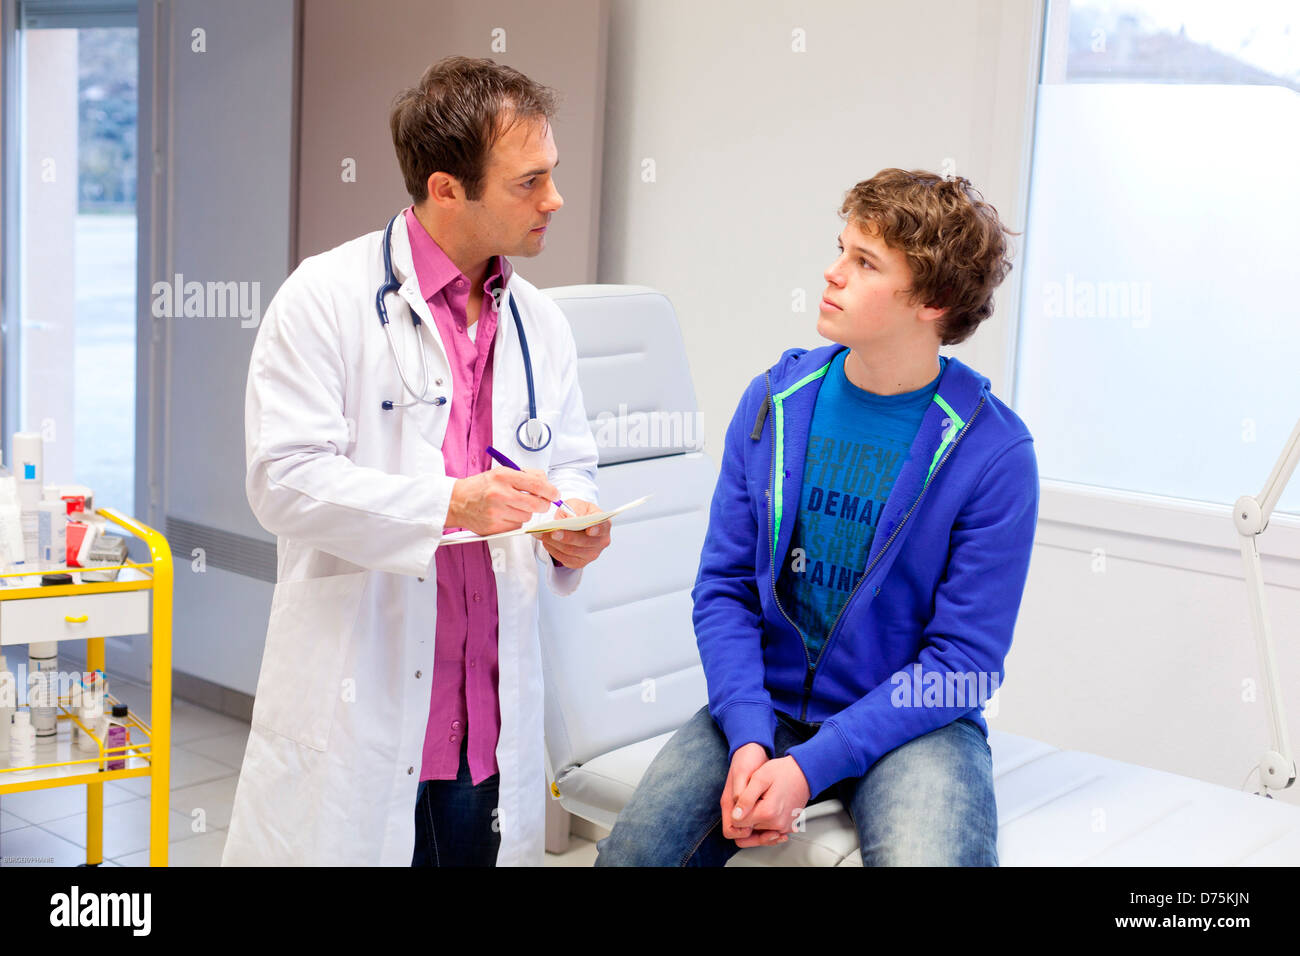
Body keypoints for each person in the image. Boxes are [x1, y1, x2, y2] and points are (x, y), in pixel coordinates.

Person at [222, 56, 611, 867]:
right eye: (529, 182)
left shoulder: (540, 321)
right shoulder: (324, 298)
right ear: (445, 189)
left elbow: (569, 460)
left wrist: (574, 519)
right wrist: (448, 504)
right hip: (368, 705)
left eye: (555, 175)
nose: (555, 201)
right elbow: (283, 480)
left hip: (488, 728)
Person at [595, 168, 1038, 867]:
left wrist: (807, 768)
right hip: (761, 703)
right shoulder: (775, 400)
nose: (831, 274)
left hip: (914, 728)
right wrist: (747, 736)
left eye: (864, 263)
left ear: (936, 299)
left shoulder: (993, 451)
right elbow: (725, 591)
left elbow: (964, 664)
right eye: (841, 249)